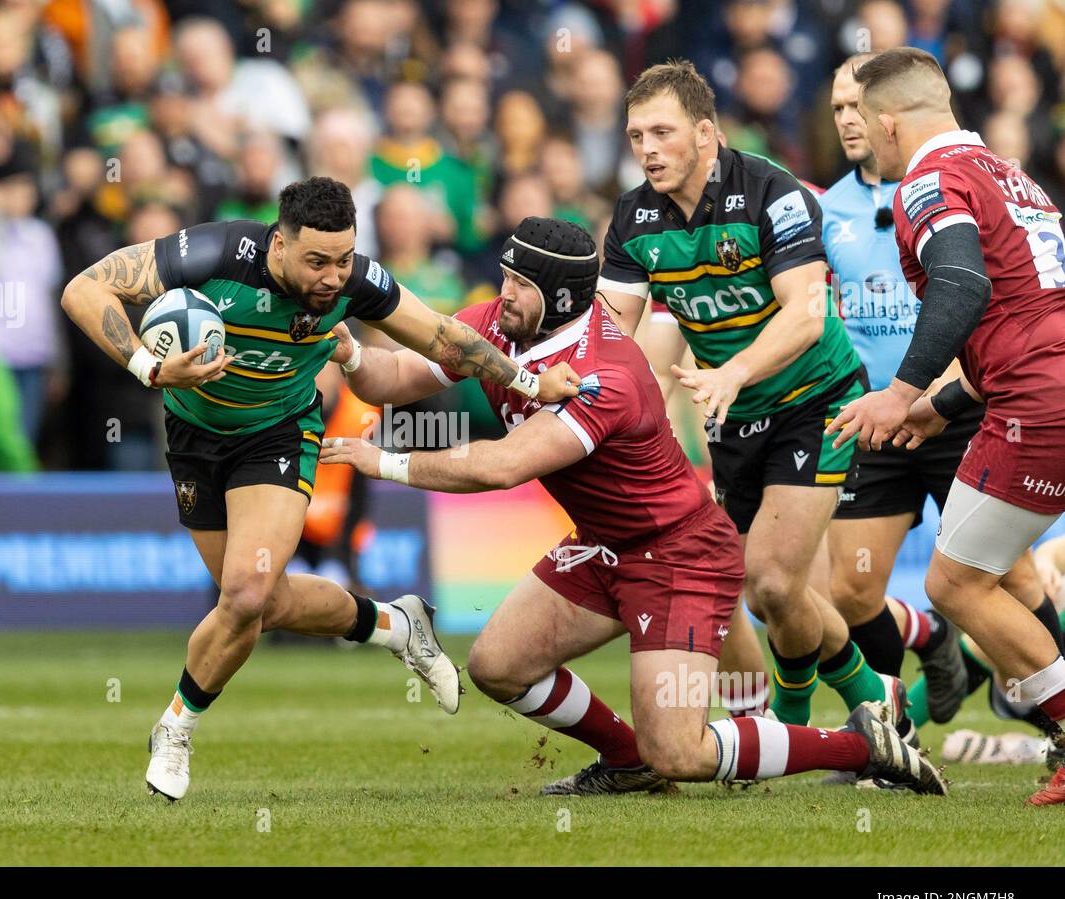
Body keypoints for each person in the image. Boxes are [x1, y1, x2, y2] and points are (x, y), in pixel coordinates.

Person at [321, 216, 945, 796]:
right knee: (497, 665)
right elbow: (396, 376)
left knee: (684, 752)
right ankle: (628, 761)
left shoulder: (603, 375)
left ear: (561, 298)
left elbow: (503, 465)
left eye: (517, 283)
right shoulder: (499, 325)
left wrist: (386, 463)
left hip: (678, 554)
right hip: (603, 543)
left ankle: (859, 745)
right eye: (505, 277)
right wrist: (347, 351)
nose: (501, 293)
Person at [61, 176, 581, 801]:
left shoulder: (360, 280)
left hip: (278, 435)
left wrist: (528, 381)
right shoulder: (216, 253)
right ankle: (394, 623)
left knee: (246, 594)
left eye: (342, 259)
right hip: (194, 435)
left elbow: (445, 337)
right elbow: (82, 288)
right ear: (277, 246)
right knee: (258, 604)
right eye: (316, 261)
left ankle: (175, 727)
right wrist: (149, 368)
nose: (334, 277)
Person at [595, 60, 905, 732]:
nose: (646, 149)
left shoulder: (771, 190)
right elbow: (612, 333)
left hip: (816, 399)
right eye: (635, 136)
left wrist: (732, 371)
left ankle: (806, 717)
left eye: (661, 132)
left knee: (769, 580)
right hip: (733, 417)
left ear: (706, 134)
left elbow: (805, 315)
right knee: (757, 590)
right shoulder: (633, 216)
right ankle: (871, 705)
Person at [829, 47, 1065, 806]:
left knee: (959, 583)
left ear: (888, 121)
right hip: (1039, 388)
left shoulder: (928, 180)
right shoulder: (1011, 175)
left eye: (864, 120)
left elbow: (963, 285)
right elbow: (1019, 312)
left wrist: (899, 393)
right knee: (981, 576)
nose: (861, 133)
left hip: (1039, 404)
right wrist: (939, 406)